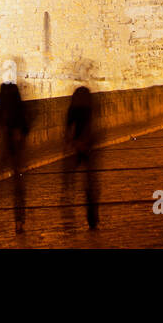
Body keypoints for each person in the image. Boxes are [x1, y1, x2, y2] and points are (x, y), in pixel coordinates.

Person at [0, 82, 30, 233]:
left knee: (12, 184)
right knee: (18, 185)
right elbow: (26, 126)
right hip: (16, 150)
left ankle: (13, 218)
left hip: (10, 148)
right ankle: (19, 219)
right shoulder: (19, 108)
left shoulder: (5, 106)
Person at [64, 86, 99, 229]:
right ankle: (92, 218)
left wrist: (73, 143)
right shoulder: (88, 105)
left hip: (80, 146)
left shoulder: (74, 106)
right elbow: (91, 126)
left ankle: (69, 209)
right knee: (90, 183)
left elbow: (68, 127)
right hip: (86, 146)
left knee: (71, 180)